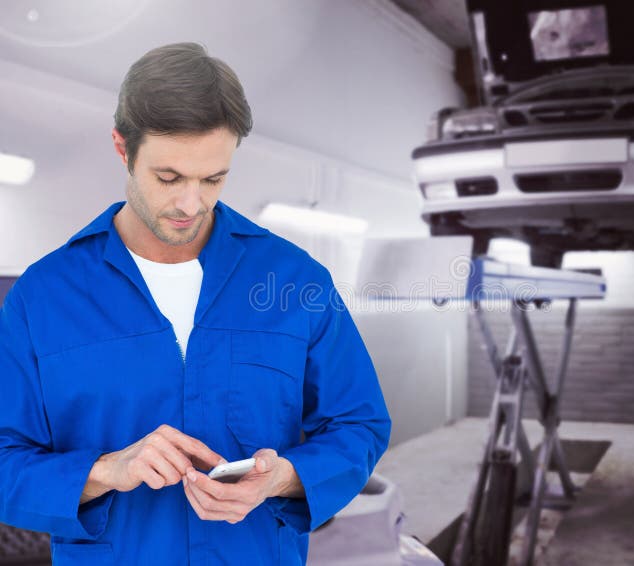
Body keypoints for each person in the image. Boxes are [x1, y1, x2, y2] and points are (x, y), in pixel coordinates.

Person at [0, 42, 391, 565]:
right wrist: (107, 470)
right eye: (169, 178)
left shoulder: (295, 281)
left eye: (214, 179)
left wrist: (284, 478)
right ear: (122, 148)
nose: (191, 204)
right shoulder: (42, 297)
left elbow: (359, 424)